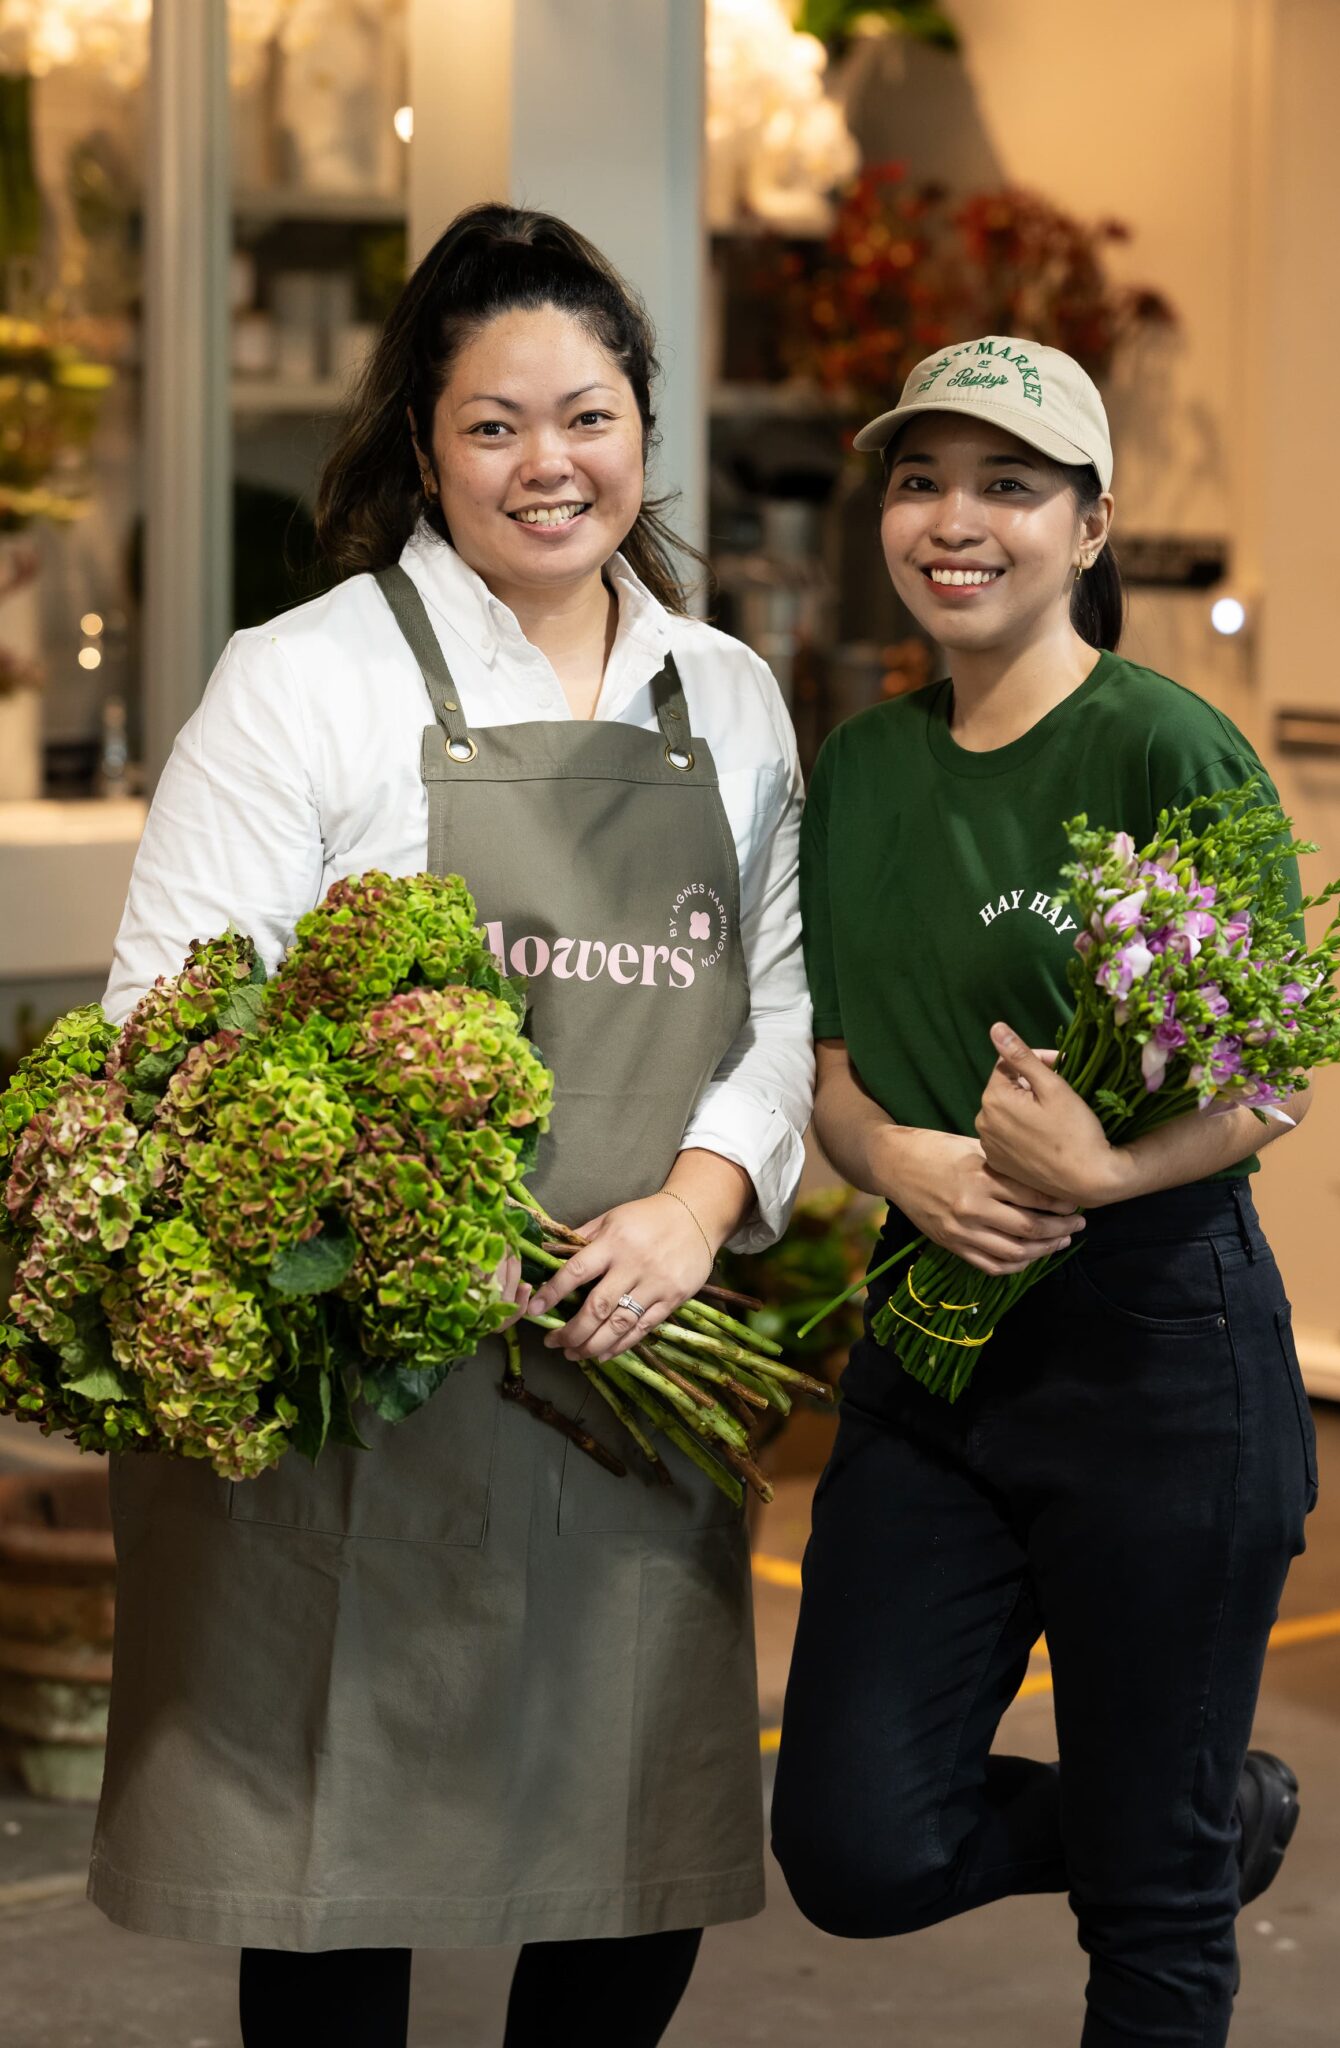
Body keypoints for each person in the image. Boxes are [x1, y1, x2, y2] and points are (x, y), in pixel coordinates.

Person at [91, 204, 812, 2048]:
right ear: (422, 439)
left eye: (584, 414)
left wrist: (694, 1202)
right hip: (364, 1386)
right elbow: (174, 1017)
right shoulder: (304, 675)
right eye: (492, 423)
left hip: (625, 1364)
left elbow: (777, 1002)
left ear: (641, 426)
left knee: (622, 1868)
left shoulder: (722, 700)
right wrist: (395, 1224)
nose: (544, 465)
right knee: (340, 1889)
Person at [770, 336, 1310, 2048]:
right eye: (922, 482)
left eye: (1009, 486)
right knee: (856, 1845)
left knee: (1149, 1925)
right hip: (931, 1354)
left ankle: (1173, 1837)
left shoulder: (1171, 750)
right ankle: (1205, 1816)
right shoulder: (856, 770)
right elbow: (836, 1075)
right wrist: (898, 1158)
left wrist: (1112, 1164)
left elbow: (1268, 1070)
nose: (955, 521)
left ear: (1089, 528)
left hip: (1156, 1354)